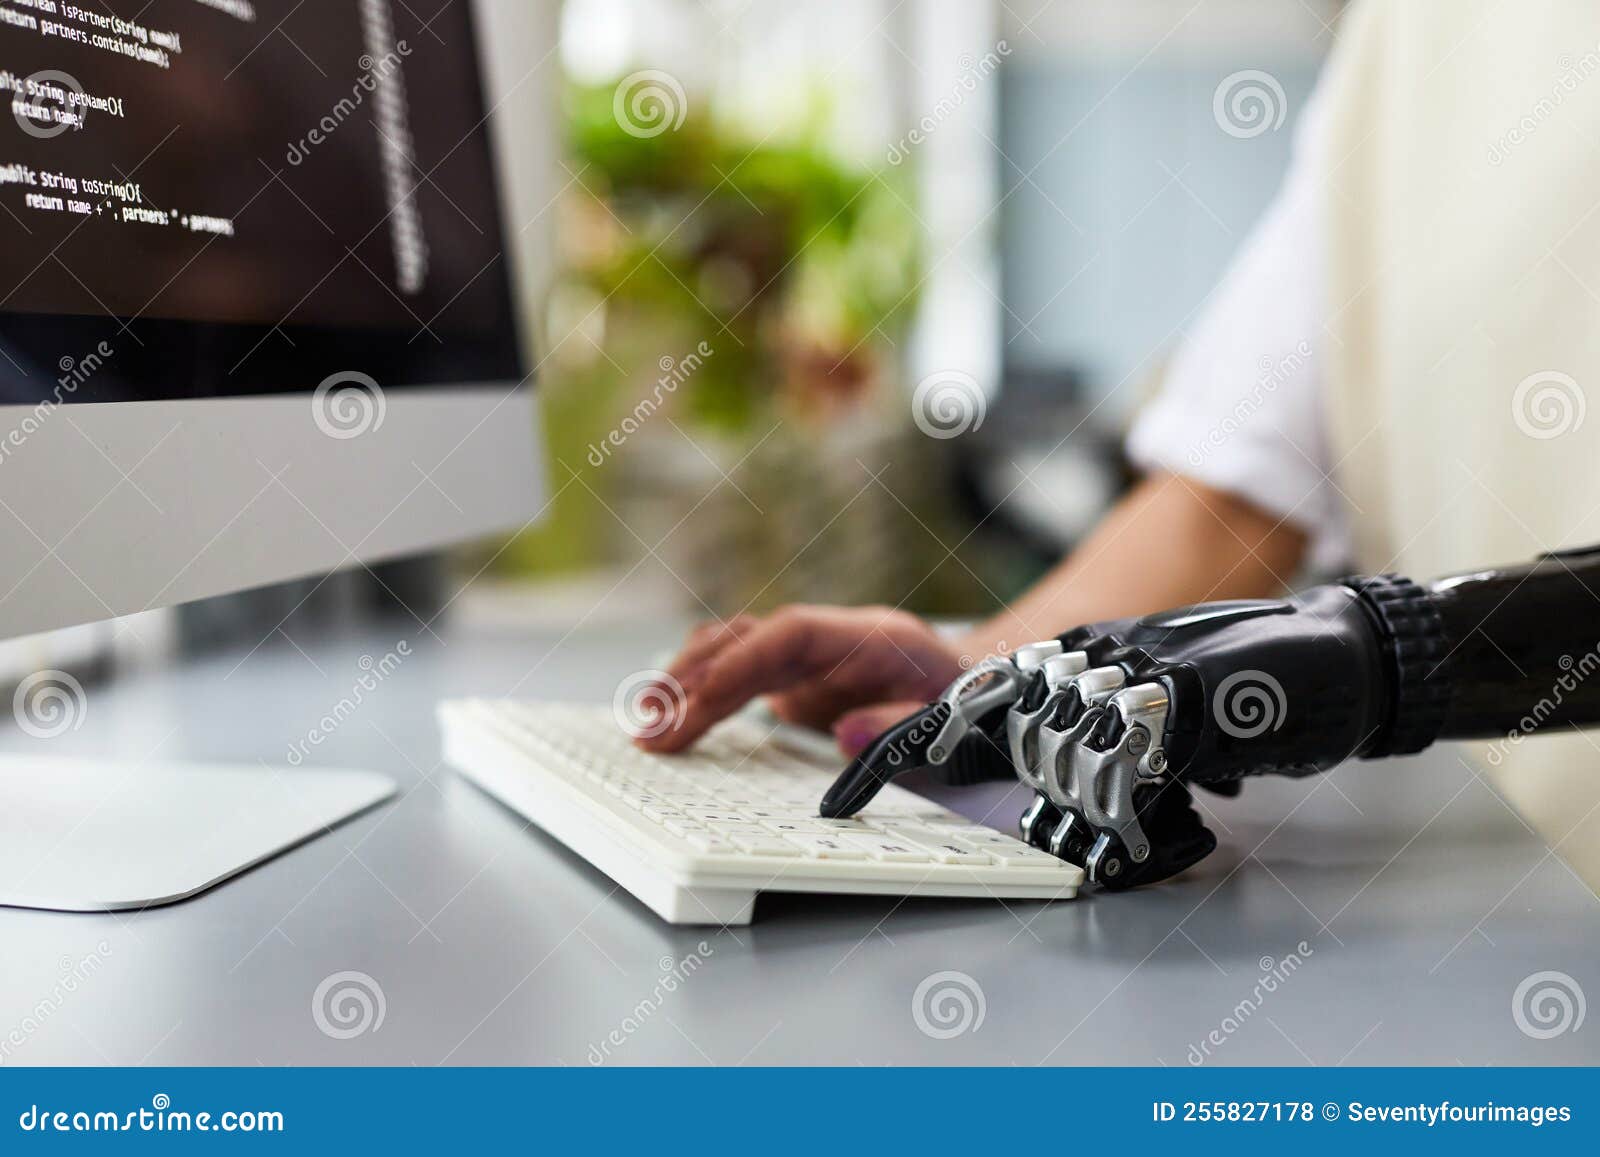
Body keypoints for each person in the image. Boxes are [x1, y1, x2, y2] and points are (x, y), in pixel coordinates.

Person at [637, 2, 1600, 889]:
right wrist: (984, 673)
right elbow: (1232, 492)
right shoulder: (1415, 29)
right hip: (1480, 894)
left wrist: (1366, 661)